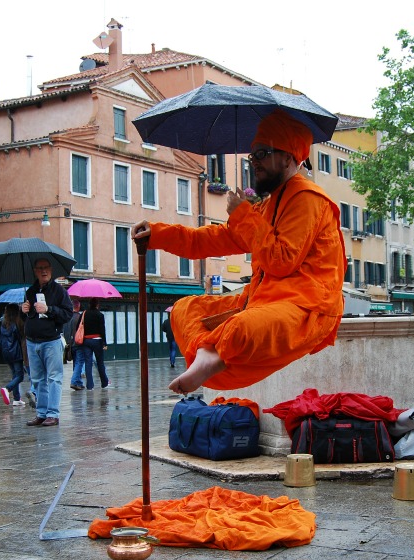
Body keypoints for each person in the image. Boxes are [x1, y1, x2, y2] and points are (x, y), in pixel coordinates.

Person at [132, 109, 346, 394]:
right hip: (260, 301)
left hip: (306, 307)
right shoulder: (268, 205)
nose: (254, 162)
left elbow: (281, 262)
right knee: (184, 309)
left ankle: (212, 353)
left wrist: (243, 215)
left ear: (288, 157)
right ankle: (207, 352)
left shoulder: (308, 199)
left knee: (242, 329)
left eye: (262, 154)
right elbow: (210, 240)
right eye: (252, 155)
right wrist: (158, 234)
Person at [21, 259, 73, 426]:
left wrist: (49, 309)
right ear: (35, 271)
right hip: (32, 342)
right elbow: (29, 317)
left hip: (51, 341)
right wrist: (24, 311)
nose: (44, 271)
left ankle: (53, 414)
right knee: (37, 380)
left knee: (54, 378)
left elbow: (67, 314)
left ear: (51, 270)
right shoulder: (30, 291)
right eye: (40, 268)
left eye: (46, 268)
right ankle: (41, 413)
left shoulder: (59, 291)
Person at [0, 304, 25, 406]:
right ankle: (7, 388)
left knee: (14, 374)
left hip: (6, 352)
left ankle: (17, 398)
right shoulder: (16, 323)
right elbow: (20, 337)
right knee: (20, 376)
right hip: (16, 352)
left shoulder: (3, 323)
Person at [80, 298, 110, 390]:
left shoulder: (84, 314)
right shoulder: (100, 315)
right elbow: (102, 330)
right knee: (100, 362)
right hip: (97, 340)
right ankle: (104, 383)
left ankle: (89, 385)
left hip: (86, 341)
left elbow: (79, 326)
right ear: (97, 305)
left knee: (88, 363)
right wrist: (104, 343)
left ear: (89, 304)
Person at [64, 300, 87, 391]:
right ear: (78, 307)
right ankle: (74, 381)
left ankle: (78, 382)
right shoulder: (79, 317)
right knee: (79, 362)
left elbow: (64, 331)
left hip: (70, 344)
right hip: (79, 343)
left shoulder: (67, 317)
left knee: (76, 363)